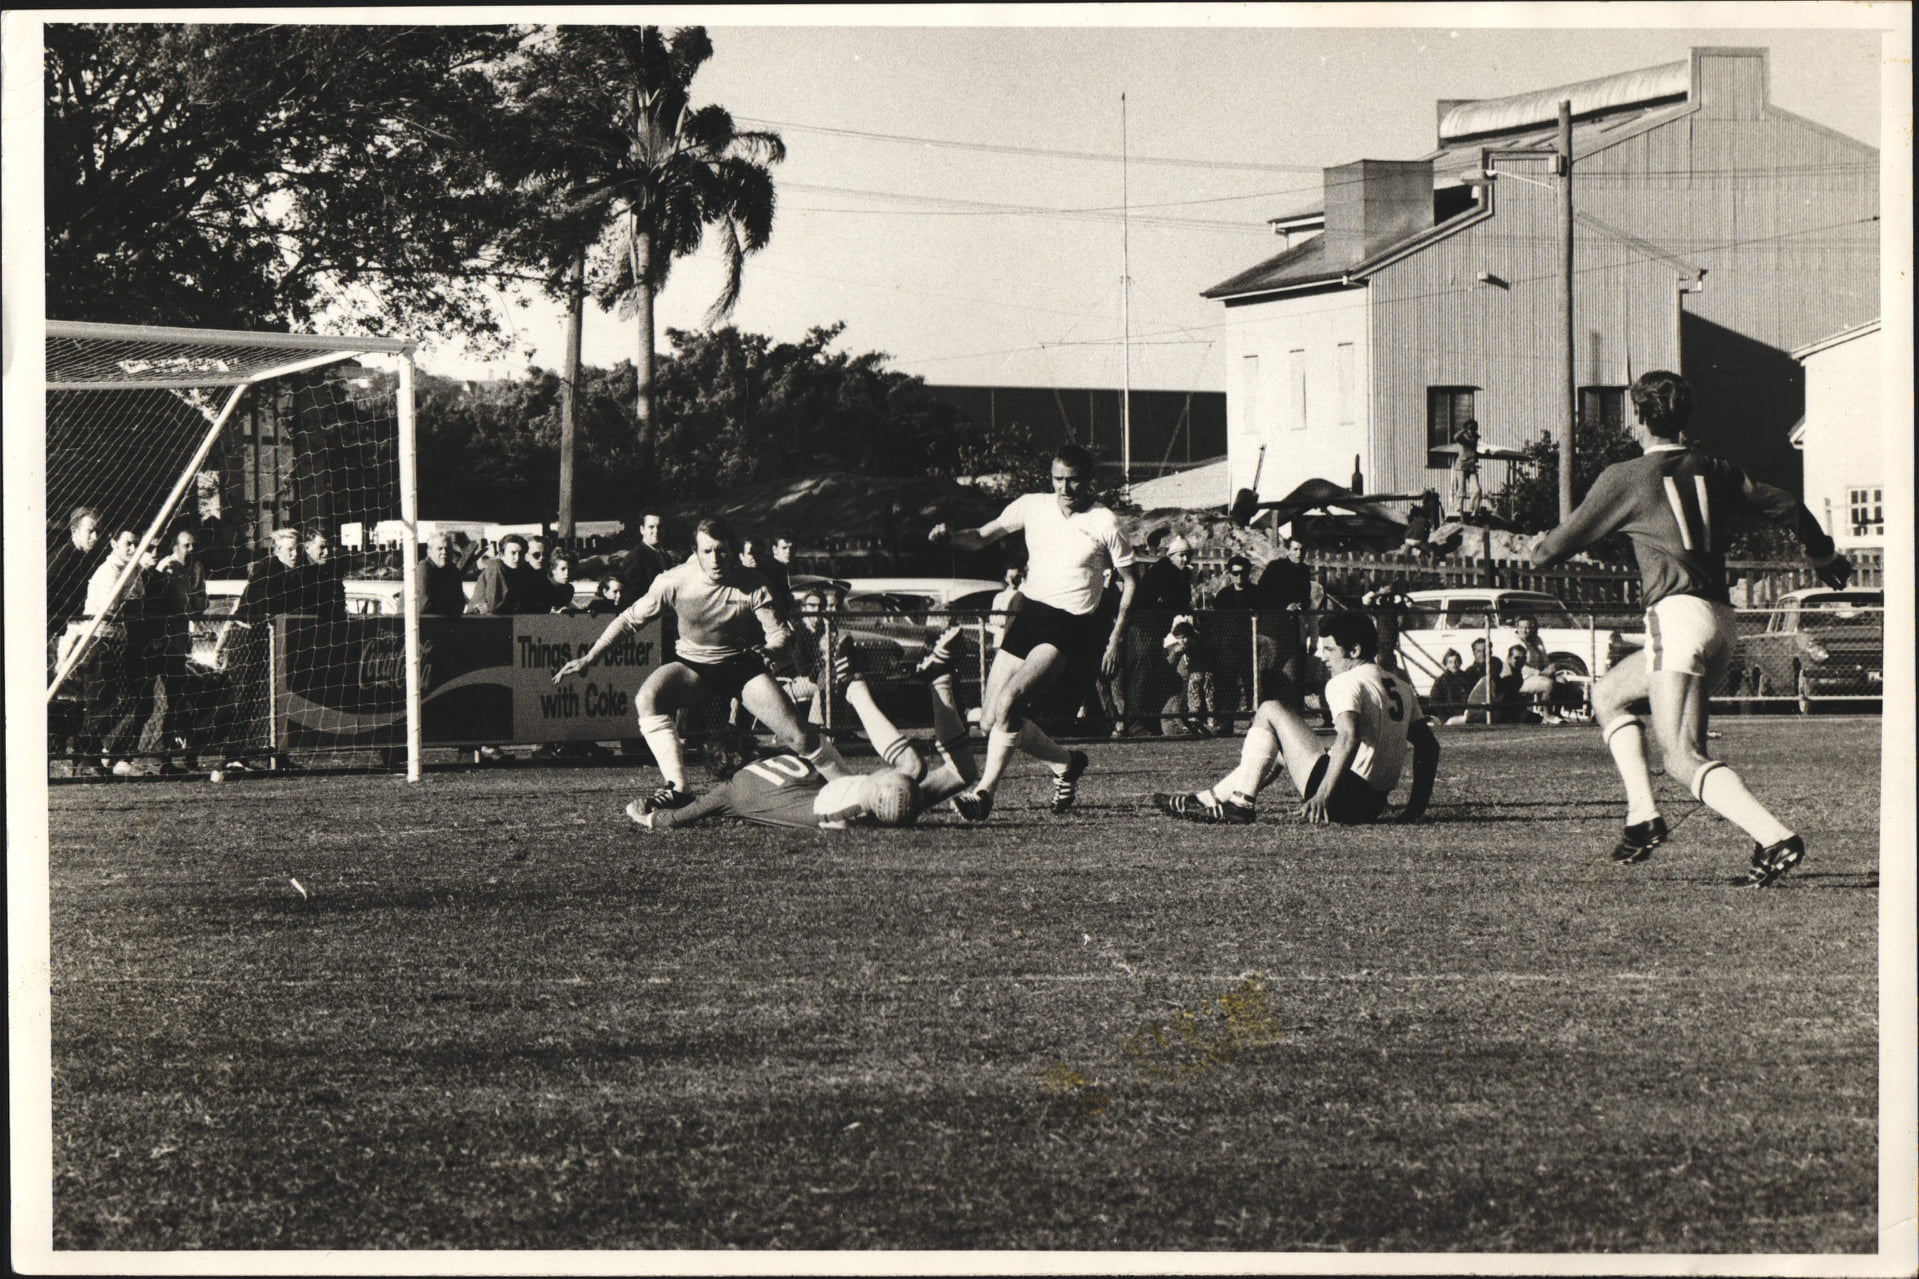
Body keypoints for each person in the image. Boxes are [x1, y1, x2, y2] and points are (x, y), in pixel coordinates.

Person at [1530, 369, 1850, 886]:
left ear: (1638, 416)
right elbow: (1788, 504)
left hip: (1676, 617)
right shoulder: (1717, 469)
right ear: (1686, 416)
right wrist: (1822, 555)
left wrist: (1535, 547)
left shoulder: (1626, 476)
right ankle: (1642, 818)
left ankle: (1776, 838)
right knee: (1609, 694)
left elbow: (1551, 551)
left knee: (1682, 759)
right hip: (1721, 621)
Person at [551, 516, 845, 813]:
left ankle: (847, 786)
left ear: (733, 550)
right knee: (648, 698)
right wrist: (590, 658)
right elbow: (629, 620)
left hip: (741, 667)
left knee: (798, 735)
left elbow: (781, 634)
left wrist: (771, 650)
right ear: (696, 551)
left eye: (722, 551)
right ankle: (678, 788)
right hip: (694, 668)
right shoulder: (673, 581)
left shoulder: (754, 584)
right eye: (707, 551)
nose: (715, 559)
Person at [927, 443, 1136, 820]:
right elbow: (981, 536)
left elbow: (1132, 582)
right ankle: (1067, 763)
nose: (1064, 490)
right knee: (991, 720)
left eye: (1073, 482)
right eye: (1058, 480)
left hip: (1070, 623)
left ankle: (984, 795)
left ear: (1088, 482)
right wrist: (950, 538)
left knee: (1010, 704)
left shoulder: (1105, 521)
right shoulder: (1031, 505)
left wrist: (1115, 637)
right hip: (1030, 613)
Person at [629, 648, 980, 833]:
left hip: (833, 813)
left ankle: (857, 690)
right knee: (959, 773)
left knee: (912, 767)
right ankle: (940, 681)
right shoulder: (784, 757)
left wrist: (642, 817)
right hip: (838, 799)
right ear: (750, 748)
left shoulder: (729, 792)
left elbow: (675, 820)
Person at [1154, 612, 1439, 826]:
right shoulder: (1400, 685)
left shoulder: (1346, 681)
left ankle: (1240, 805)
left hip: (1344, 797)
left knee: (1269, 709)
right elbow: (1429, 747)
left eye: (1329, 649)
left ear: (1353, 651)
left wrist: (1322, 796)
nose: (1322, 656)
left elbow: (1348, 738)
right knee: (1276, 749)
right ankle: (1209, 799)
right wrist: (1414, 809)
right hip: (1373, 803)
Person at [1123, 533, 1194, 736]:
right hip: (1144, 629)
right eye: (1181, 555)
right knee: (1142, 673)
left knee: (1151, 674)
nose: (1185, 559)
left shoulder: (1177, 573)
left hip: (1155, 631)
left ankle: (1148, 721)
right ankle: (1136, 724)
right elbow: (1177, 600)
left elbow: (1182, 600)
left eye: (1188, 555)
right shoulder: (1165, 570)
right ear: (1172, 555)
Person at [470, 534, 538, 616]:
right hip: (482, 619)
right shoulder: (496, 567)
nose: (517, 558)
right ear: (501, 555)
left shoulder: (525, 569)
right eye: (513, 553)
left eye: (521, 553)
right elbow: (495, 606)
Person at [613, 512, 674, 599]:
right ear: (642, 530)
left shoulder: (664, 555)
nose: (656, 531)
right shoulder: (636, 557)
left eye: (659, 527)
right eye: (651, 527)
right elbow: (632, 595)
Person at [419, 530, 469, 616]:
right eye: (440, 549)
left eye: (448, 548)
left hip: (442, 620)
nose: (444, 552)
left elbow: (460, 601)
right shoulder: (423, 569)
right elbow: (424, 605)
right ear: (430, 551)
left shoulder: (453, 571)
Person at [1450, 419, 1485, 521]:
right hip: (1461, 466)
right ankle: (1458, 510)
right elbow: (1455, 437)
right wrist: (1464, 430)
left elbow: (1474, 448)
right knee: (1461, 489)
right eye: (1470, 429)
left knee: (1477, 490)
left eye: (1473, 429)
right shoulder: (1462, 439)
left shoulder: (1474, 439)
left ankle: (1473, 510)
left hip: (1471, 466)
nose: (1472, 431)